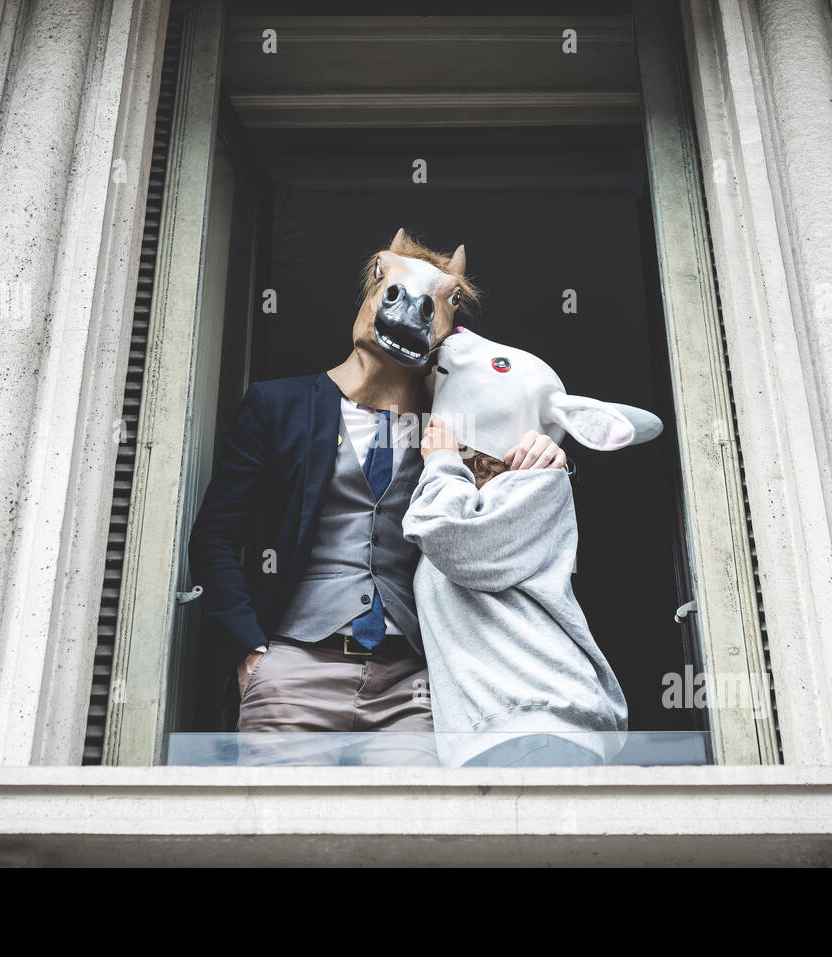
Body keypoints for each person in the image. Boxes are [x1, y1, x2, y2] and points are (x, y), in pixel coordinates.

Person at [187, 229, 571, 763]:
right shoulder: (279, 405)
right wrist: (249, 651)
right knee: (279, 836)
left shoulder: (455, 427)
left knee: (413, 836)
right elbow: (216, 536)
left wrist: (545, 463)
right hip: (295, 666)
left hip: (413, 684)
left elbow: (499, 530)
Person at [402, 327, 663, 767]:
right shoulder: (472, 493)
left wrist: (442, 461)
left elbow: (443, 532)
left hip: (538, 727)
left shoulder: (535, 483)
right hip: (504, 733)